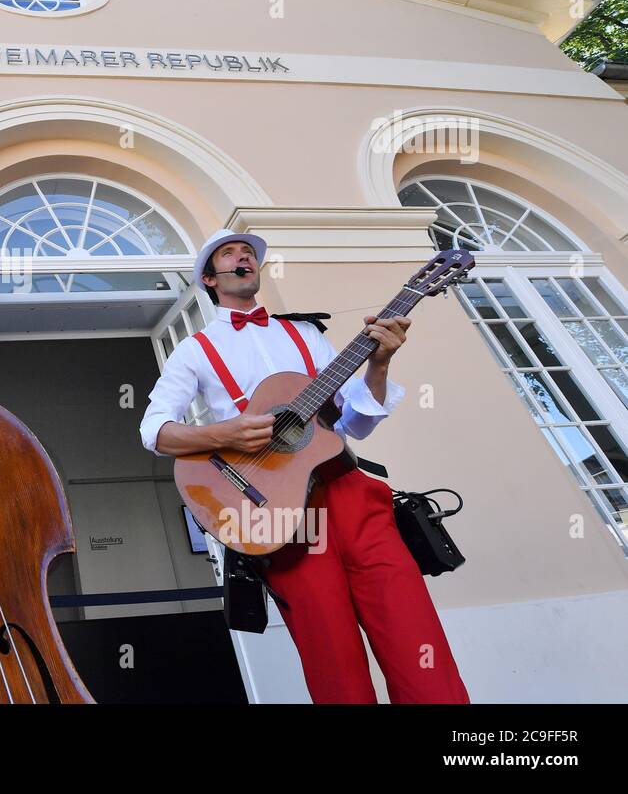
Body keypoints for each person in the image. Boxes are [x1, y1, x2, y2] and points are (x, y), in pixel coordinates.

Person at [139, 228, 469, 703]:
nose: (242, 258)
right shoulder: (195, 350)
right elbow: (155, 432)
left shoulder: (305, 332)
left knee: (417, 639)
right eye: (229, 254)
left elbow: (352, 425)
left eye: (248, 253)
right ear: (210, 279)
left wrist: (378, 365)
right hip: (279, 517)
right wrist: (223, 432)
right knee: (333, 664)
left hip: (354, 497)